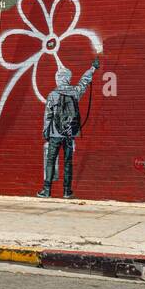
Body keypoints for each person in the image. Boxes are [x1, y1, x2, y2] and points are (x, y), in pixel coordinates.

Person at [38, 54, 99, 199]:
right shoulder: (75, 92)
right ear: (68, 78)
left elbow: (48, 116)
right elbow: (84, 82)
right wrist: (92, 68)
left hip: (54, 134)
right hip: (69, 134)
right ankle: (67, 191)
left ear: (58, 79)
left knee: (51, 160)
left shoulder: (52, 95)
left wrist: (45, 132)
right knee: (67, 162)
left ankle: (46, 190)